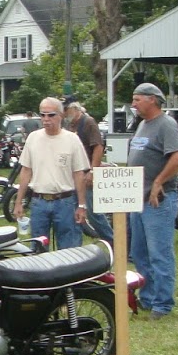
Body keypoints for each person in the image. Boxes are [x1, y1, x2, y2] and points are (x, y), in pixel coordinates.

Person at [126, 82, 178, 318]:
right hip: (137, 200)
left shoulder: (166, 124)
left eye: (137, 99)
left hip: (158, 201)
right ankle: (148, 297)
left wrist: (159, 181)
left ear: (152, 99)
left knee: (160, 253)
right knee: (139, 253)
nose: (133, 104)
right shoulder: (142, 125)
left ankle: (163, 303)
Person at [12, 96, 90, 252]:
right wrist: (18, 201)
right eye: (42, 115)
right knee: (38, 249)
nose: (46, 119)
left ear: (61, 116)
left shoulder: (72, 139)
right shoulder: (33, 138)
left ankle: (68, 276)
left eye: (51, 115)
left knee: (69, 249)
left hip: (65, 201)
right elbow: (26, 171)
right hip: (39, 201)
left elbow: (79, 174)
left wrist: (81, 205)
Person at [63, 96, 112, 244]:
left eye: (66, 109)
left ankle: (113, 241)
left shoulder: (88, 122)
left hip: (85, 172)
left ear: (75, 108)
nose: (64, 113)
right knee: (74, 211)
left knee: (93, 212)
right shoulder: (70, 125)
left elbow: (98, 146)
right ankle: (76, 244)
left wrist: (92, 171)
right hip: (72, 174)